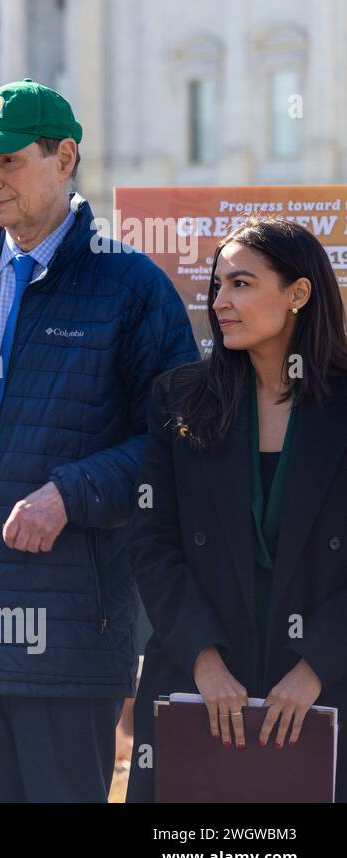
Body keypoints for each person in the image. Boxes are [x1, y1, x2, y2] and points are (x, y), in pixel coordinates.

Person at [0, 79, 198, 802]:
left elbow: (178, 441)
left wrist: (73, 493)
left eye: (8, 160)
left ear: (65, 158)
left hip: (68, 635)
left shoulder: (131, 285)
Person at [129, 217, 347, 803]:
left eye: (242, 285)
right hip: (198, 684)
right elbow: (152, 540)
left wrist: (317, 667)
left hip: (326, 690)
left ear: (298, 293)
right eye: (218, 286)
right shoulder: (179, 398)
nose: (220, 301)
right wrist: (203, 659)